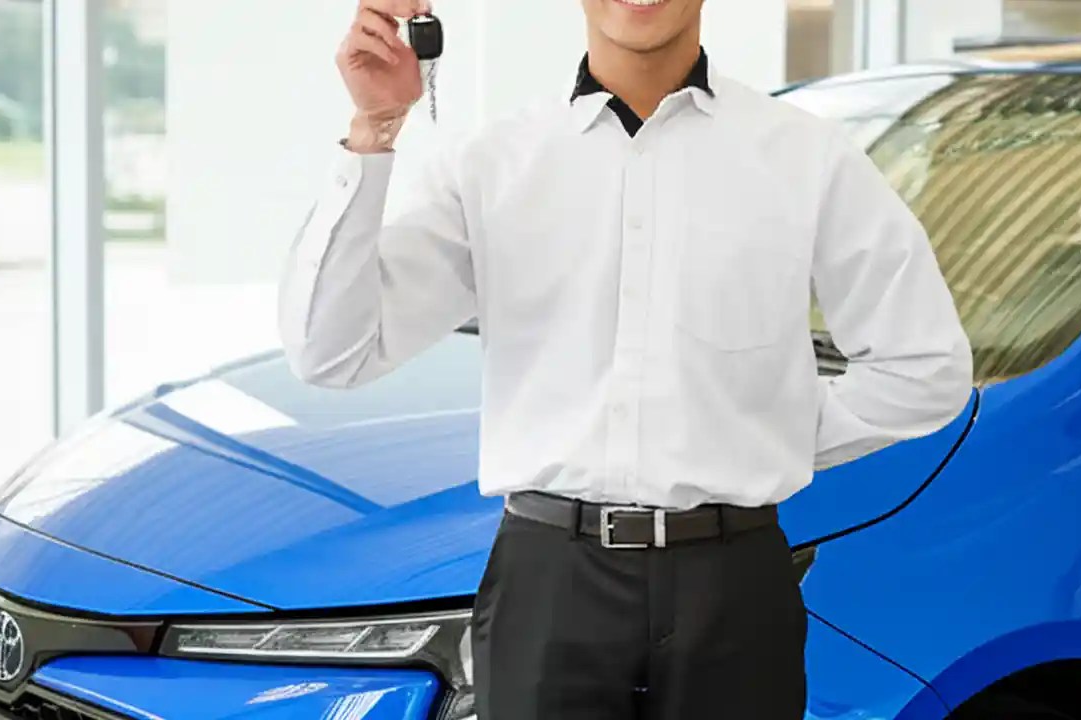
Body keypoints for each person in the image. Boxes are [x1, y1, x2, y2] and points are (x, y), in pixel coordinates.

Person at [277, 0, 974, 717]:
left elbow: (925, 368)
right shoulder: (493, 161)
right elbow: (332, 352)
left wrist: (764, 431)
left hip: (733, 585)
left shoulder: (806, 156)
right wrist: (374, 129)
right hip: (549, 585)